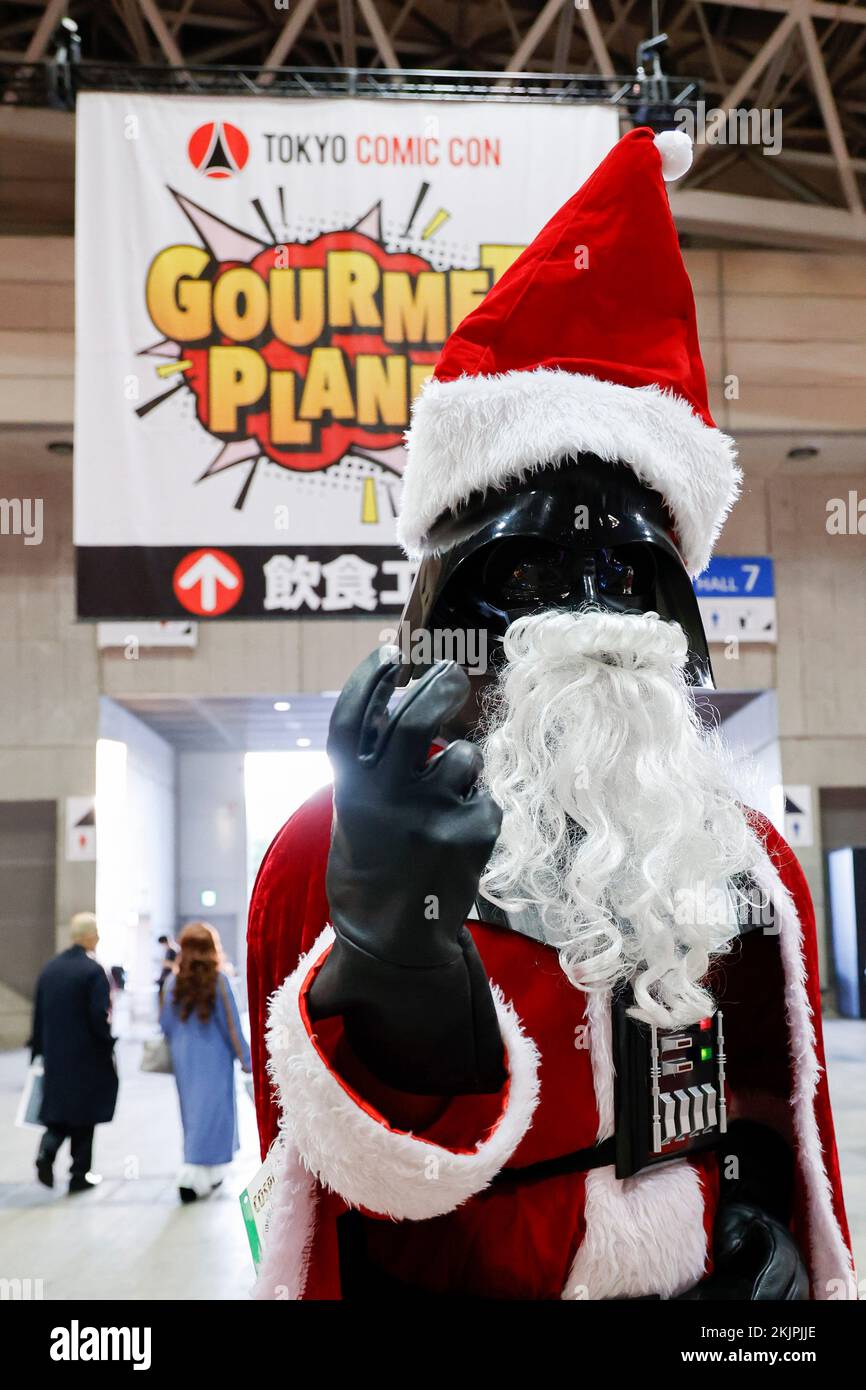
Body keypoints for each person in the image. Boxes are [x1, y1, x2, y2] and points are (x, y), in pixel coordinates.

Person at [245, 128, 854, 1301]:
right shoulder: (326, 851)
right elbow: (317, 1195)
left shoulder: (745, 854)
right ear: (449, 605)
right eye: (527, 578)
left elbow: (774, 1104)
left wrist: (763, 1229)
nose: (587, 614)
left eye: (626, 579)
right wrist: (389, 960)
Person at [160, 921, 251, 1204]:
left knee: (194, 1117)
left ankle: (204, 1174)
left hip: (185, 1061)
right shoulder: (219, 980)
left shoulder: (172, 982)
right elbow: (232, 1025)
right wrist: (247, 1060)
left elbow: (165, 1024)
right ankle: (193, 1176)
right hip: (215, 1060)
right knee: (213, 1116)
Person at [30, 911, 118, 1194]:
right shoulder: (93, 971)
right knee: (85, 1114)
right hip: (88, 1056)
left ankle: (47, 1151)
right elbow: (99, 1015)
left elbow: (38, 1015)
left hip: (56, 1055)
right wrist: (107, 1043)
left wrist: (38, 1052)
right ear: (90, 937)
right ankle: (79, 1173)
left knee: (59, 1111)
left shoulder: (50, 969)